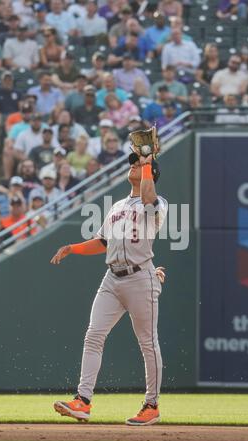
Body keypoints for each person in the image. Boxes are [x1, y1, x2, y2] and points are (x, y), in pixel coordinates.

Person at [51, 134, 168, 426]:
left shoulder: (156, 203)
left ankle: (151, 405)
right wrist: (73, 248)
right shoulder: (116, 206)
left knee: (147, 343)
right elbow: (102, 242)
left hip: (141, 277)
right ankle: (83, 401)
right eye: (132, 163)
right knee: (93, 335)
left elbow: (149, 196)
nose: (133, 167)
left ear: (149, 173)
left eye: (138, 166)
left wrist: (147, 160)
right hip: (112, 279)